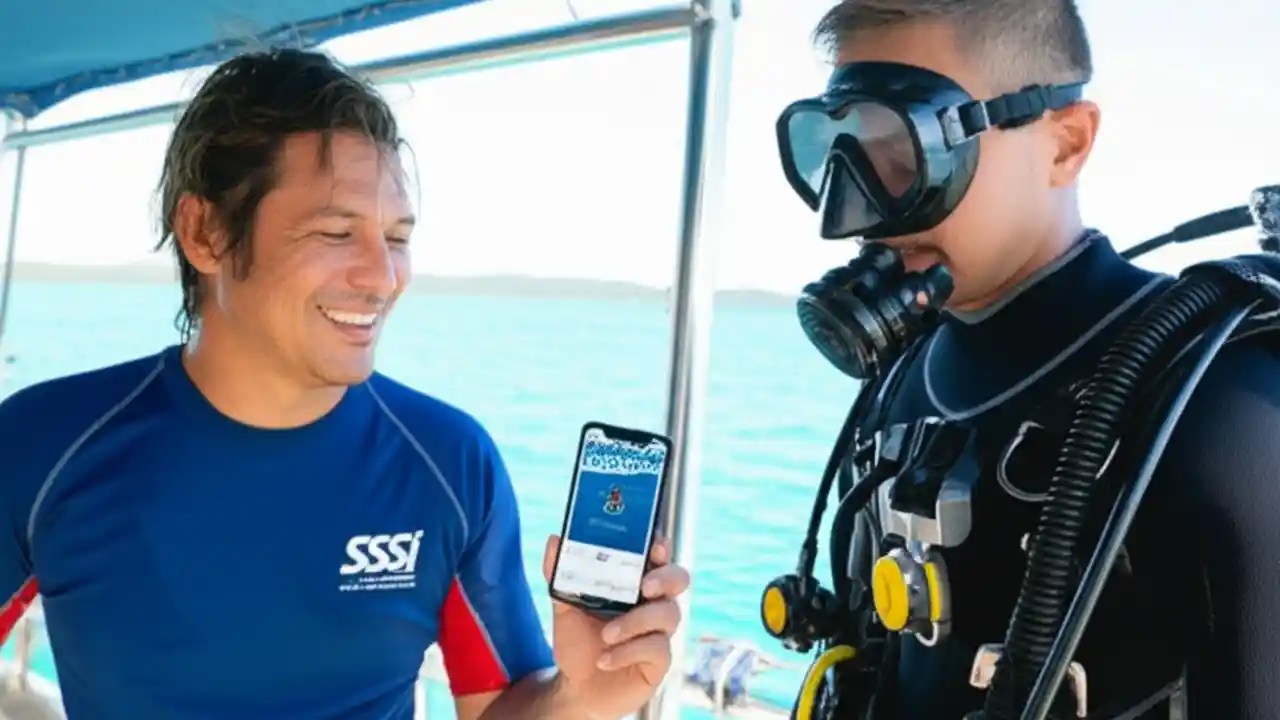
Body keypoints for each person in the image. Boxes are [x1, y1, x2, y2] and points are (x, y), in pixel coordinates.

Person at [0, 48, 689, 719]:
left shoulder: (448, 463)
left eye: (396, 237)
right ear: (204, 230)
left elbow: (498, 707)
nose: (383, 277)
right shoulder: (47, 445)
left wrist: (581, 700)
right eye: (335, 232)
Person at [772, 1, 1280, 718]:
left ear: (1066, 142)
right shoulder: (900, 383)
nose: (850, 214)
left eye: (903, 153)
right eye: (837, 152)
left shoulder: (1217, 406)